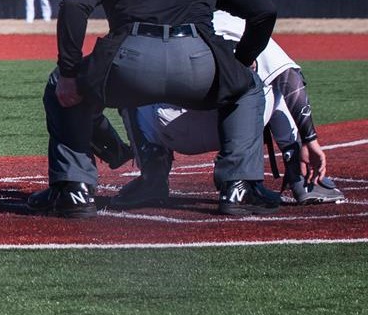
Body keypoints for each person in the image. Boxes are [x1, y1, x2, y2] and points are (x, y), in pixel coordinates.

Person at [31, 0, 279, 217]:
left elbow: (75, 4)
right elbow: (264, 10)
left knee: (62, 84)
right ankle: (239, 187)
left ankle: (73, 190)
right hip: (199, 65)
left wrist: (68, 71)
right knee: (248, 86)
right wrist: (241, 63)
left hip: (128, 63)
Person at [108, 11, 343, 208]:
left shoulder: (163, 21)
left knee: (132, 81)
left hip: (171, 129)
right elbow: (290, 78)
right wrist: (310, 140)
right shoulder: (233, 20)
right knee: (275, 77)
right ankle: (297, 177)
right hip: (237, 129)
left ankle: (152, 177)